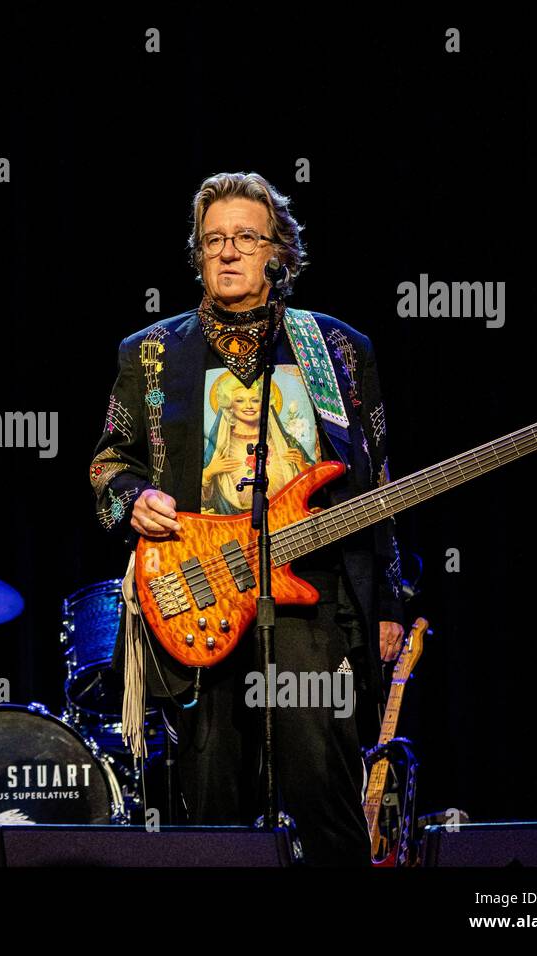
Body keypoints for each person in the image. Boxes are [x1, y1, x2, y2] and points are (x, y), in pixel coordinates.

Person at [89, 171, 404, 865]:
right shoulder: (149, 353)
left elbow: (376, 480)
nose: (228, 253)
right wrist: (133, 499)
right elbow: (108, 463)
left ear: (280, 253)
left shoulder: (339, 350)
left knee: (323, 793)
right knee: (211, 808)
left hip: (312, 598)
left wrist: (387, 599)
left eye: (245, 238)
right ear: (198, 254)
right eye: (214, 241)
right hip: (196, 599)